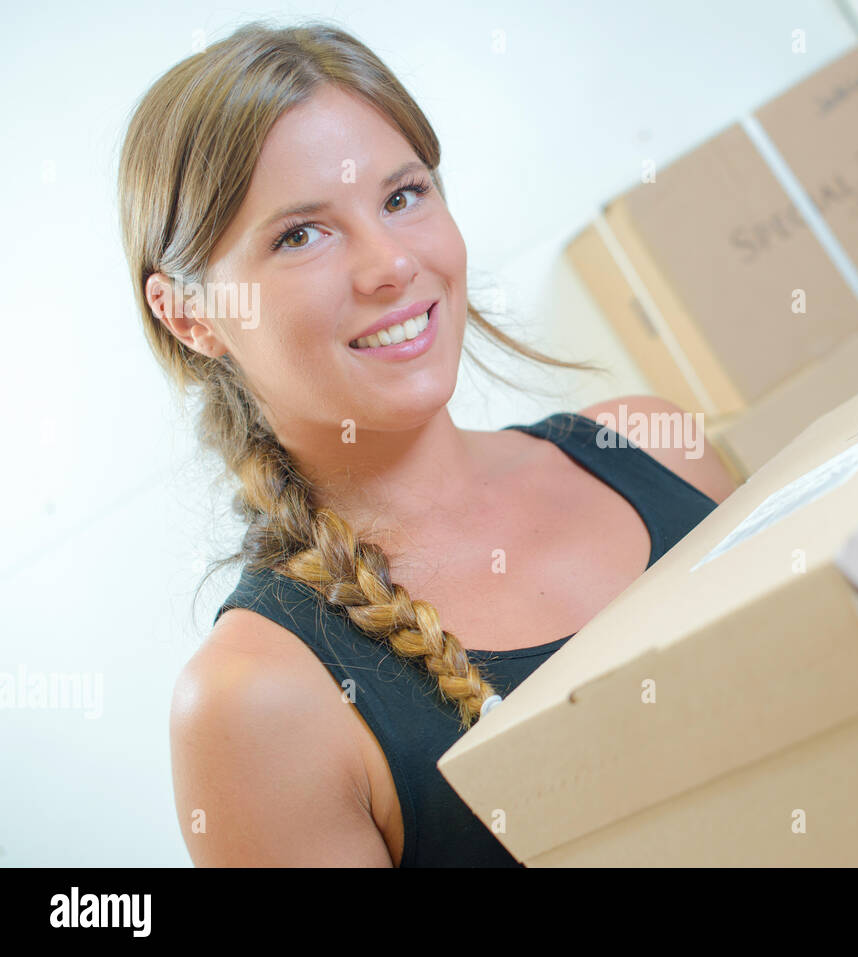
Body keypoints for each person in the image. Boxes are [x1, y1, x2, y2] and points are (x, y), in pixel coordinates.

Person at [118, 20, 736, 867]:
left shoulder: (657, 451)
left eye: (402, 196)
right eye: (301, 234)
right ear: (189, 314)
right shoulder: (255, 699)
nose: (391, 263)